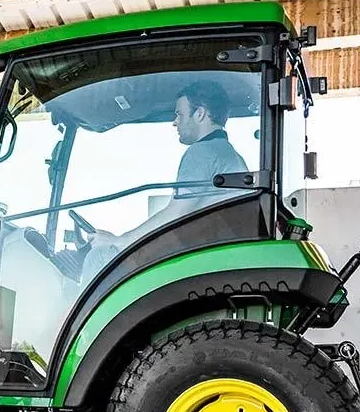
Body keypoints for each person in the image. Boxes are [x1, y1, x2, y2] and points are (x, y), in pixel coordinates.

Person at [77, 79, 250, 283]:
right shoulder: (230, 155)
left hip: (201, 263)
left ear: (200, 114)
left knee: (101, 257)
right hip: (216, 257)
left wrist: (120, 241)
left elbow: (176, 213)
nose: (175, 122)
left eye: (179, 114)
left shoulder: (202, 152)